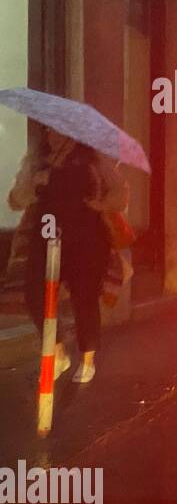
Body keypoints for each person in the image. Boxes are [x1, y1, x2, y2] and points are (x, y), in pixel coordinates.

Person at [6, 128, 127, 384]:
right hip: (45, 236)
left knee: (85, 298)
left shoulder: (94, 160)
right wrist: (33, 184)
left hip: (87, 239)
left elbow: (119, 193)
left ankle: (87, 359)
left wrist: (102, 204)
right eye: (50, 131)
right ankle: (58, 352)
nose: (54, 137)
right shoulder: (36, 162)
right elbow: (15, 200)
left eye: (61, 131)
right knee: (35, 294)